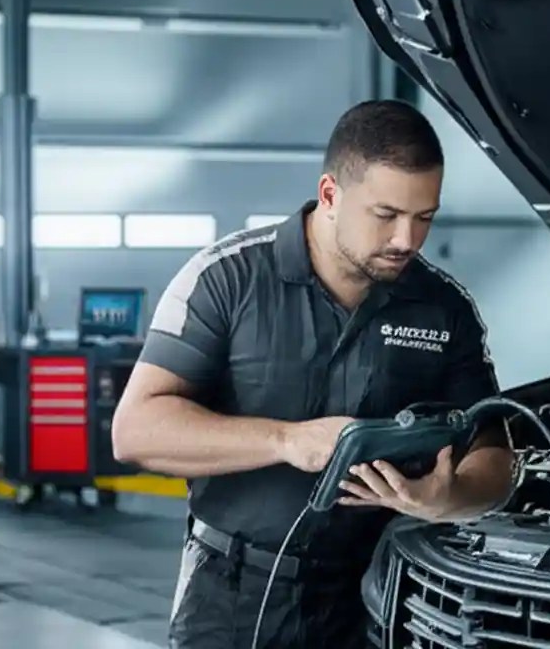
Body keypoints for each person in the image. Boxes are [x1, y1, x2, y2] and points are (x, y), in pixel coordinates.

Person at [112, 100, 516, 648]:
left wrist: (450, 497)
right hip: (232, 596)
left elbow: (495, 455)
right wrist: (286, 440)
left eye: (424, 217)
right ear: (330, 194)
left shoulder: (444, 309)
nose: (407, 240)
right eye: (386, 215)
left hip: (378, 597)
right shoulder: (226, 280)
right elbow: (135, 432)